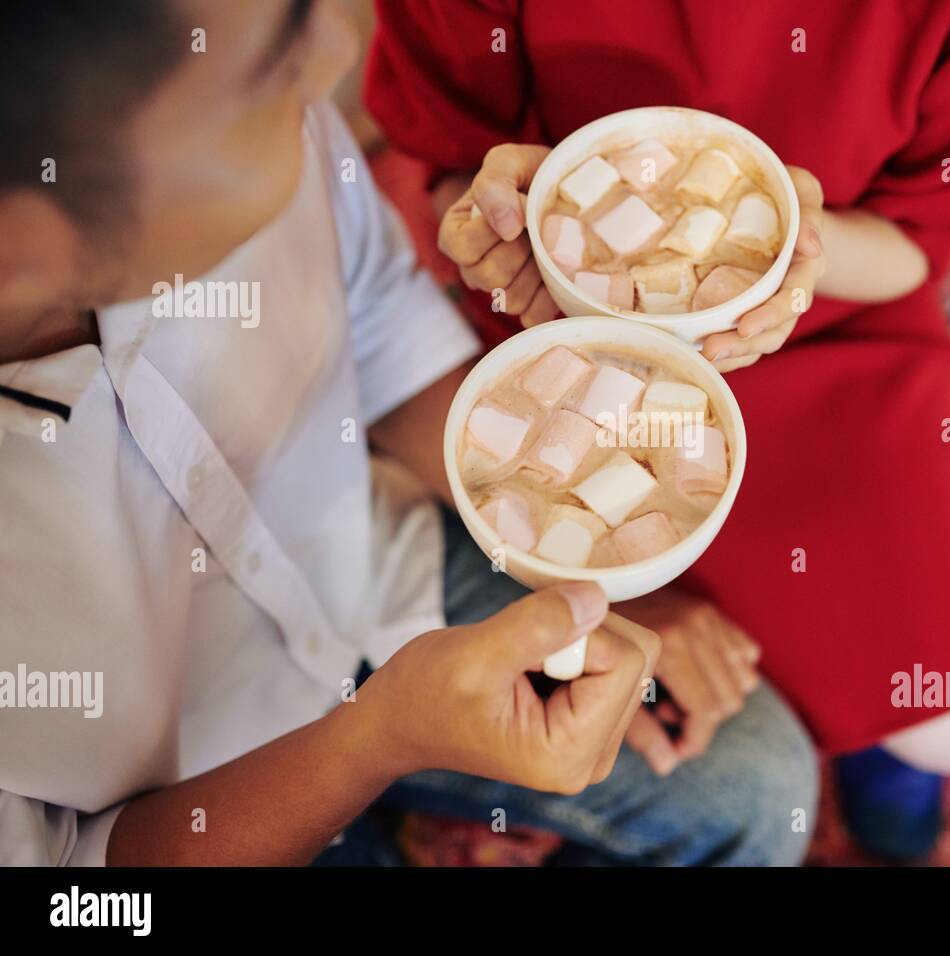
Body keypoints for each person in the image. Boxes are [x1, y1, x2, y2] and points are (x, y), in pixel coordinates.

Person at [0, 0, 817, 867]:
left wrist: (594, 562)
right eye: (273, 70)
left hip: (375, 573)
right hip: (191, 815)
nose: (340, 49)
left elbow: (382, 325)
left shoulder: (264, 134)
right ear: (26, 236)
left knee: (761, 789)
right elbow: (78, 889)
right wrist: (375, 741)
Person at [365, 0, 950, 864]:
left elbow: (917, 240)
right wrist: (500, 228)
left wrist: (800, 251)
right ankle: (885, 744)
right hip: (571, 345)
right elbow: (454, 162)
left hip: (834, 325)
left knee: (949, 715)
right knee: (725, 649)